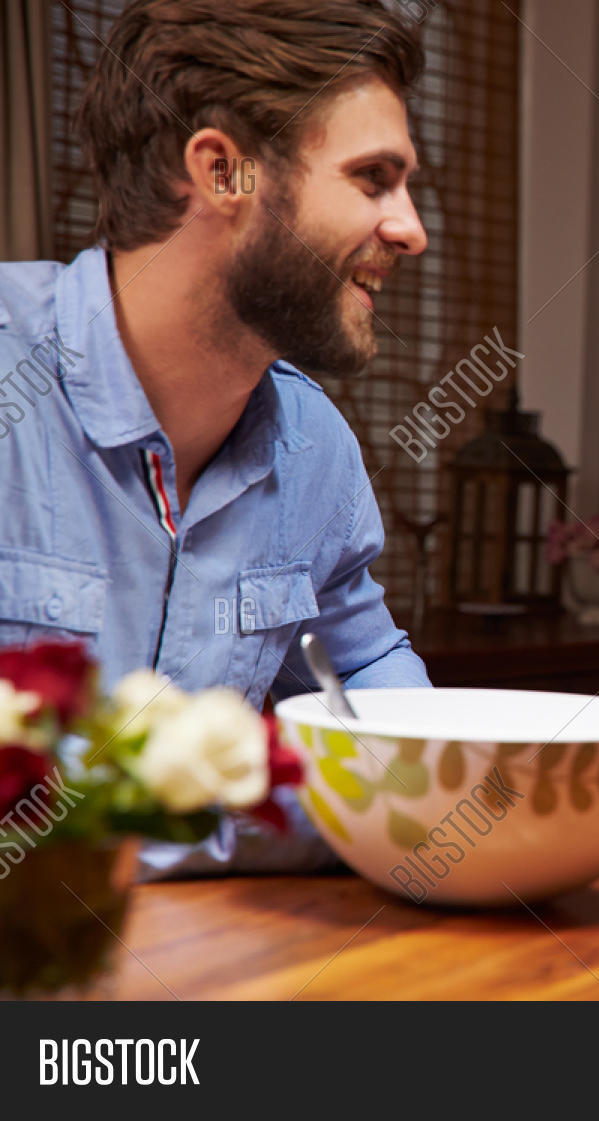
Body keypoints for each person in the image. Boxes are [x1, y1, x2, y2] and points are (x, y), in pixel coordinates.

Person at [0, 0, 432, 875]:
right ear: (222, 170)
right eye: (372, 179)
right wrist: (296, 820)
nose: (411, 230)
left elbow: (382, 718)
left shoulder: (316, 450)